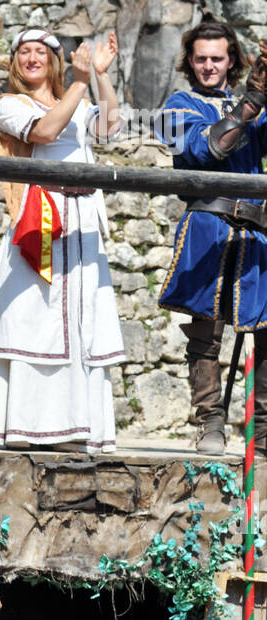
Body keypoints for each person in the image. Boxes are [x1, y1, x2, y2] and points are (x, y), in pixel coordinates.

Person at [0, 28, 125, 454]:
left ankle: (76, 428)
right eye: (24, 52)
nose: (32, 58)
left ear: (53, 61)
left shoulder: (79, 98)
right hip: (41, 219)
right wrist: (79, 81)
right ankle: (21, 426)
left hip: (83, 219)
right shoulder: (11, 106)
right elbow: (46, 133)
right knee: (31, 321)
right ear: (15, 62)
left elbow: (110, 132)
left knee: (81, 323)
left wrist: (100, 75)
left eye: (41, 52)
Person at [158, 15, 267, 456]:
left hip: (256, 230)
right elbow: (208, 148)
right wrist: (250, 103)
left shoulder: (258, 109)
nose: (208, 66)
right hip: (206, 224)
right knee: (205, 331)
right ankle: (210, 422)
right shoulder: (175, 107)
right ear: (190, 61)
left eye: (217, 58)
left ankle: (262, 430)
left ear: (231, 61)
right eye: (201, 59)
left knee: (266, 328)